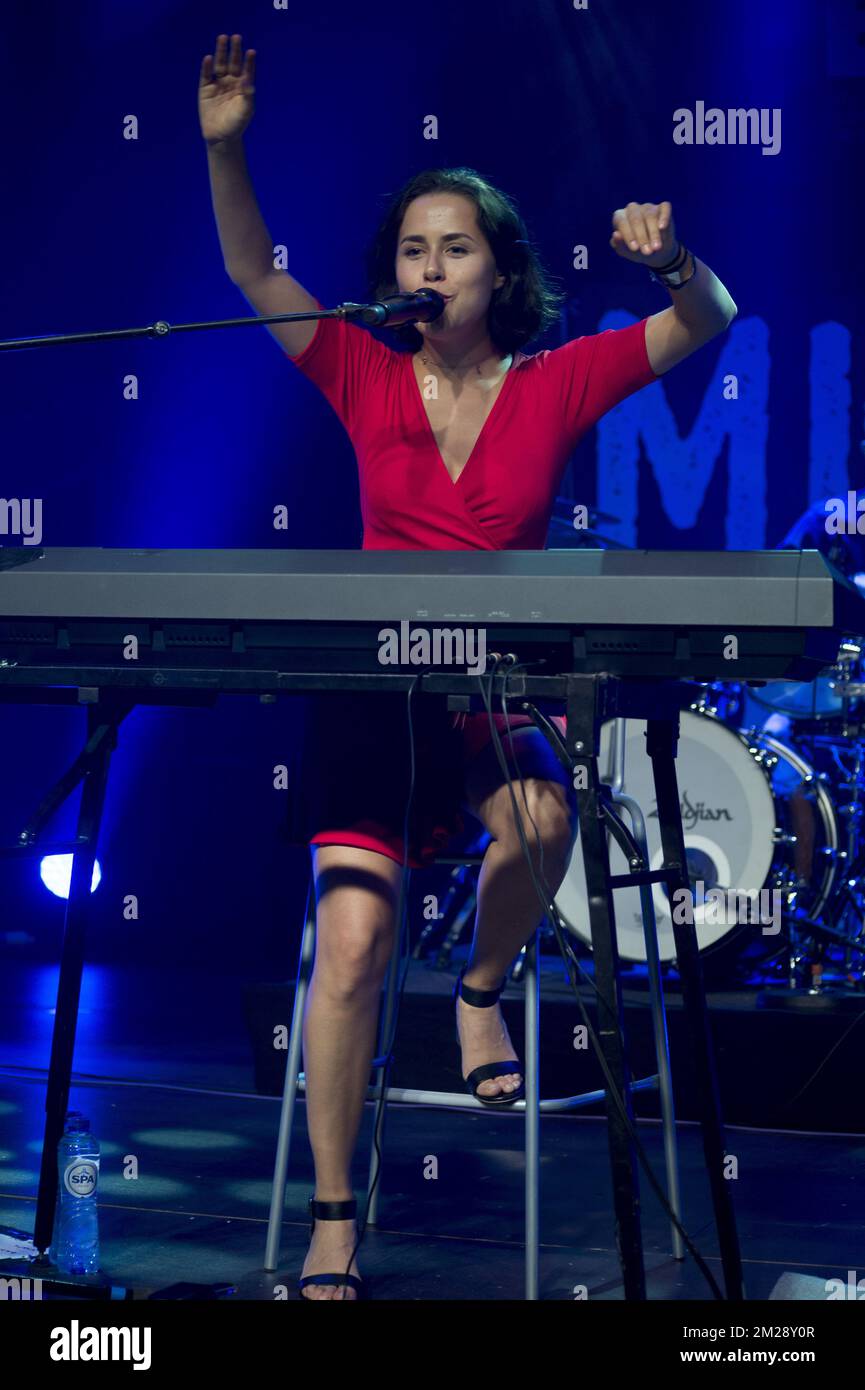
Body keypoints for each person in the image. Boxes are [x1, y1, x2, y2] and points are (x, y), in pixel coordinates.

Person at [200, 32, 738, 1299]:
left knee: (547, 819)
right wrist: (226, 147)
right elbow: (242, 267)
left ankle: (481, 990)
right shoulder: (356, 363)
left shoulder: (555, 381)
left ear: (499, 270)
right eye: (410, 248)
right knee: (350, 947)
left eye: (453, 246)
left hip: (488, 691)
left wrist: (668, 261)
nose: (428, 265)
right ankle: (336, 1218)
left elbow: (707, 315)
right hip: (372, 694)